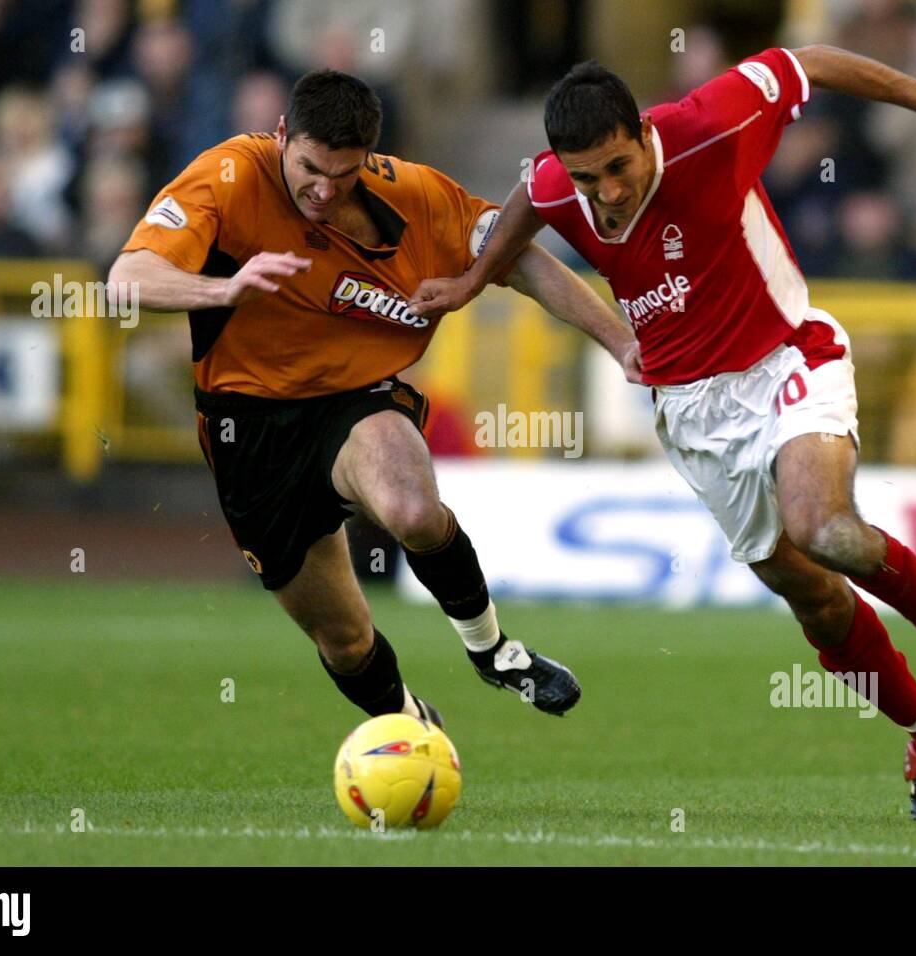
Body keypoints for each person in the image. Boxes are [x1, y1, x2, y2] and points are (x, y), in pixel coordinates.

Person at [409, 44, 916, 821]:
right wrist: (475, 281)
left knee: (826, 530)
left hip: (786, 355)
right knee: (814, 600)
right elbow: (526, 203)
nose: (606, 194)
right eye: (588, 179)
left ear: (641, 134)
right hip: (692, 414)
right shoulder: (558, 183)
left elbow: (809, 59)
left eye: (618, 167)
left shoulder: (713, 121)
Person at [109, 70, 639, 728]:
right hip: (248, 432)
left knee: (413, 510)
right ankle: (410, 723)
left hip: (353, 400)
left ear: (370, 157)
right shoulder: (228, 175)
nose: (324, 191)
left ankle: (495, 652)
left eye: (344, 173)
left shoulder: (417, 195)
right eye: (308, 169)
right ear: (281, 136)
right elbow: (126, 279)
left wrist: (620, 344)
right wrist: (223, 290)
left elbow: (524, 260)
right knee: (347, 640)